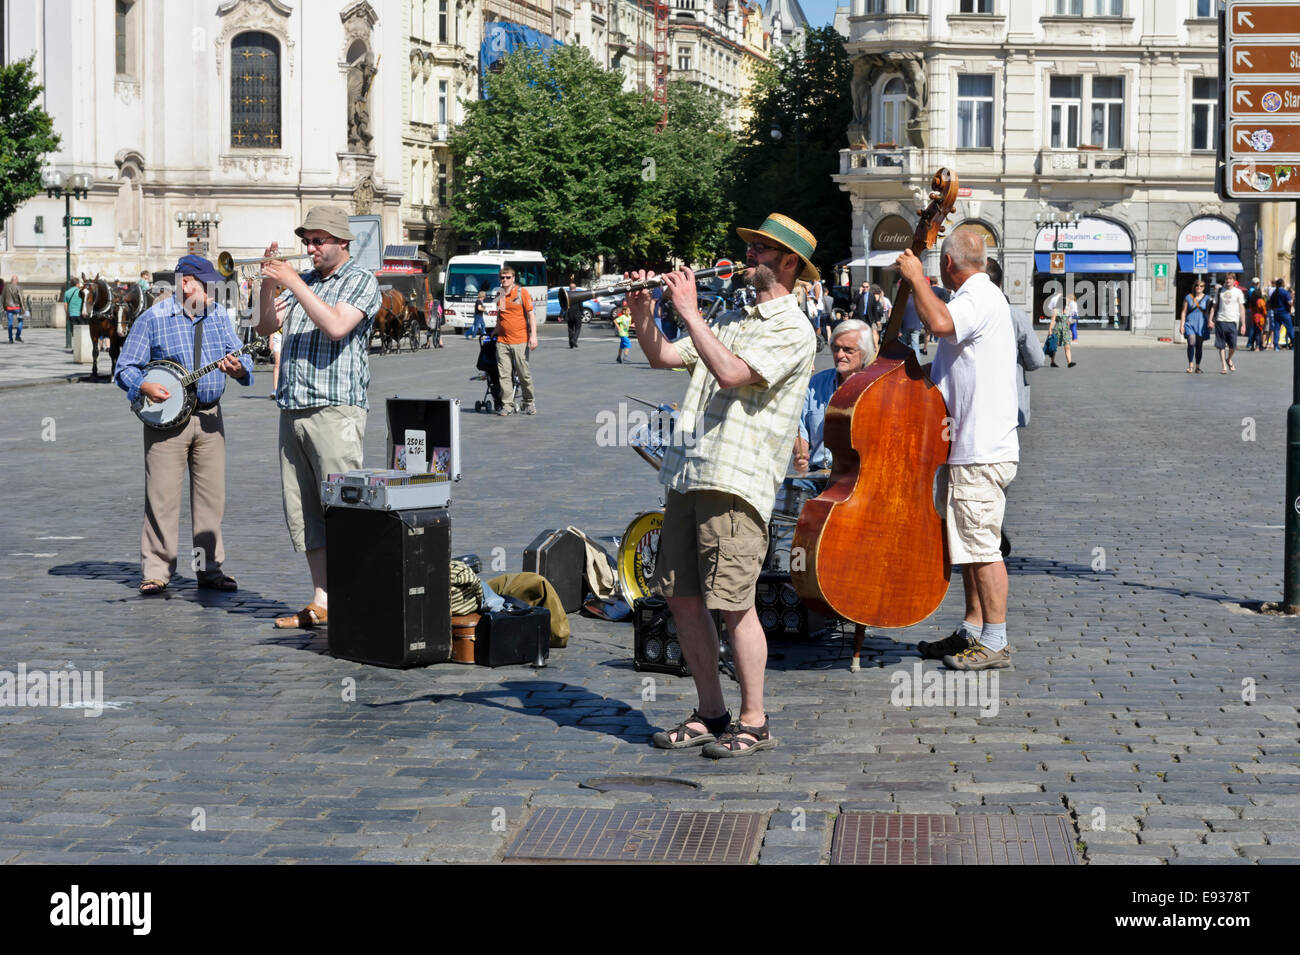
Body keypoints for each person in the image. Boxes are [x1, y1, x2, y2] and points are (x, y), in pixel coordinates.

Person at [628, 213, 817, 758]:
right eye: (752, 247)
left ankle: (754, 720)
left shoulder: (792, 329)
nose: (749, 256)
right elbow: (665, 356)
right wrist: (646, 317)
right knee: (681, 598)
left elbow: (733, 374)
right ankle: (710, 711)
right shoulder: (735, 319)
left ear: (788, 263)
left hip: (735, 480)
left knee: (735, 603)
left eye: (760, 250)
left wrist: (688, 311)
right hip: (691, 472)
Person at [254, 205, 381, 630]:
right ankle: (322, 599)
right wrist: (268, 287)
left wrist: (292, 282)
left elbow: (336, 326)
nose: (310, 248)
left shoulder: (360, 280)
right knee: (305, 511)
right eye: (307, 241)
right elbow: (263, 327)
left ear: (342, 242)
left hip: (334, 408)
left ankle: (355, 598)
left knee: (343, 510)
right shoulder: (303, 281)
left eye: (318, 240)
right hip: (293, 408)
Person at [897, 228, 1018, 671]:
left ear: (947, 264)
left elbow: (940, 323)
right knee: (966, 544)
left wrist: (916, 280)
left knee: (982, 546)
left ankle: (996, 641)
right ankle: (973, 628)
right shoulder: (981, 298)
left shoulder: (975, 298)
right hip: (967, 448)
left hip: (980, 449)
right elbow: (950, 365)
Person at [115, 255, 253, 596]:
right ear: (186, 283)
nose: (214, 292)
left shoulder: (218, 316)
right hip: (166, 423)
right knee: (161, 499)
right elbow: (125, 368)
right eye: (208, 285)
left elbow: (243, 359)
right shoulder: (153, 319)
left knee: (211, 500)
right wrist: (143, 386)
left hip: (210, 418)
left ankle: (209, 569)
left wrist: (238, 369)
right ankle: (157, 571)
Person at [792, 318, 874, 481]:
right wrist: (801, 454)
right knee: (787, 495)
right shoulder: (815, 384)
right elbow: (799, 427)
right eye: (836, 348)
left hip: (862, 478)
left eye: (848, 350)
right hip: (819, 474)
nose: (839, 355)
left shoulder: (876, 387)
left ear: (865, 353)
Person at [493, 265, 538, 416]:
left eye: (507, 277)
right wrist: (495, 330)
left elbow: (531, 315)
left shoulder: (521, 292)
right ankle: (507, 405)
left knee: (523, 373)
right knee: (504, 375)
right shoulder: (499, 293)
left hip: (520, 340)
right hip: (502, 341)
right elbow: (501, 314)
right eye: (502, 277)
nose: (504, 280)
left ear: (513, 278)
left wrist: (533, 336)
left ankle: (529, 402)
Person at [1213, 273, 1246, 373]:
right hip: (1220, 320)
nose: (1228, 280)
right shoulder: (1219, 291)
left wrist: (1243, 324)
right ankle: (1224, 366)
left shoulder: (1238, 292)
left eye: (1230, 279)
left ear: (1234, 280)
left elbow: (1241, 308)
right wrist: (1210, 319)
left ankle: (1229, 359)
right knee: (1221, 345)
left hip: (1233, 321)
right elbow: (1214, 305)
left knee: (1233, 345)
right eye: (1227, 279)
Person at [1180, 280, 1211, 373]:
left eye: (1201, 286)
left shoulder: (1207, 298)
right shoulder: (1188, 297)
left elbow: (1209, 312)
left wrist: (1210, 322)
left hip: (1201, 324)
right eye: (1197, 285)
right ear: (1194, 286)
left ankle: (1197, 366)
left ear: (1204, 288)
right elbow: (1183, 312)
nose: (1199, 287)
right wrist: (1182, 325)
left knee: (1199, 345)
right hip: (1190, 323)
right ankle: (1190, 365)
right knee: (1191, 342)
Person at [1046, 293, 1077, 367]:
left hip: (1066, 330)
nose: (1067, 303)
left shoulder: (1068, 310)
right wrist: (1050, 330)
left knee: (1067, 346)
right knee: (1054, 347)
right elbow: (1053, 320)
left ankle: (1069, 363)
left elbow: (1069, 320)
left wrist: (1070, 328)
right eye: (1066, 302)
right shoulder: (1056, 310)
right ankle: (1052, 362)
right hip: (1057, 329)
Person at [1271, 278, 1294, 351]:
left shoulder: (1275, 292)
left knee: (1276, 329)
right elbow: (1289, 302)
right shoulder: (1285, 292)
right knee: (1289, 328)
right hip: (1284, 312)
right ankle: (1294, 343)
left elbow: (1270, 302)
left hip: (1276, 312)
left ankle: (1276, 345)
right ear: (1283, 284)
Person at [3, 275, 24, 343]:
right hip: (17, 307)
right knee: (20, 321)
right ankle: (17, 336)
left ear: (11, 280)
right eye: (17, 280)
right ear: (16, 280)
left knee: (10, 323)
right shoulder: (18, 287)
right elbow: (21, 298)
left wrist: (4, 307)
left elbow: (3, 298)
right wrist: (23, 308)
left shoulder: (6, 287)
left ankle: (10, 339)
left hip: (9, 307)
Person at [564, 279, 584, 348]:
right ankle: (574, 340)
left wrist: (561, 315)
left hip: (569, 315)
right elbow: (580, 305)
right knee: (578, 328)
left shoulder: (566, 295)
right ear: (575, 288)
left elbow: (564, 305)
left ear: (569, 288)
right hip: (577, 314)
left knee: (570, 329)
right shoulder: (578, 295)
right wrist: (582, 313)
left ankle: (571, 344)